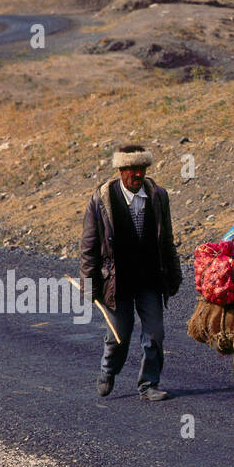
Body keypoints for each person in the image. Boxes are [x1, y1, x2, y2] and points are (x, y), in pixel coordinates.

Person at [81, 144, 182, 400]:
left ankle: (149, 385)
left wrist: (173, 272)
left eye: (142, 169)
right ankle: (108, 371)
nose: (138, 175)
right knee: (119, 337)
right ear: (121, 171)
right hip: (118, 281)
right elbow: (89, 247)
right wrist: (89, 285)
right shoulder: (101, 200)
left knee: (155, 334)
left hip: (149, 278)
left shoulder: (158, 196)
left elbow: (166, 239)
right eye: (132, 170)